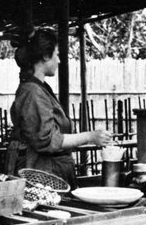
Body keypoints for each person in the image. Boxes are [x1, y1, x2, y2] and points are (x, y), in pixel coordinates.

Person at [8, 27, 112, 187]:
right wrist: (90, 137)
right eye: (57, 55)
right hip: (41, 175)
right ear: (45, 56)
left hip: (48, 172)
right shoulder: (32, 92)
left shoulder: (40, 88)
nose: (59, 60)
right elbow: (47, 140)